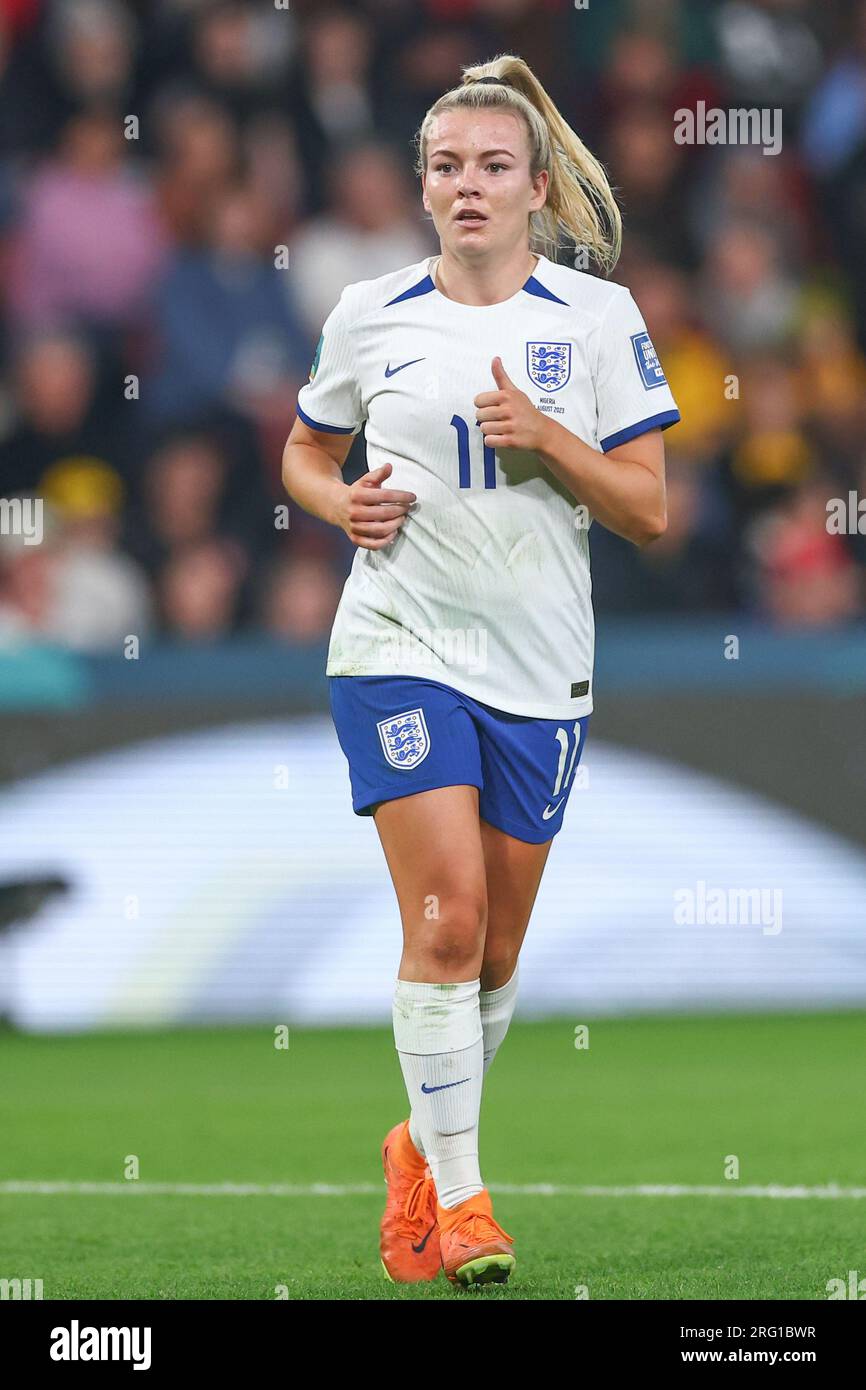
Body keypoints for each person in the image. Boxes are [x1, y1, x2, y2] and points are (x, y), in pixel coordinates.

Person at [281, 54, 680, 1289]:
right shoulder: (369, 311)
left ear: (536, 184)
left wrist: (550, 439)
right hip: (398, 647)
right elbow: (303, 450)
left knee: (493, 953)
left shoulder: (595, 321)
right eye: (445, 167)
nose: (466, 186)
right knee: (442, 917)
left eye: (491, 167)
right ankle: (463, 1203)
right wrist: (335, 500)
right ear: (420, 185)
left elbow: (648, 513)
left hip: (539, 665)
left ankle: (419, 1142)